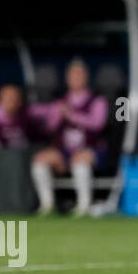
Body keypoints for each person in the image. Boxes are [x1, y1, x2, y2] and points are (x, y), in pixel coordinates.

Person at [30, 59, 108, 215]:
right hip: (64, 150)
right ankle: (47, 206)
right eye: (72, 75)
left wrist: (72, 115)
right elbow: (50, 127)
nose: (75, 78)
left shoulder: (98, 100)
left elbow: (97, 124)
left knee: (80, 161)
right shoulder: (60, 102)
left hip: (91, 149)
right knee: (39, 160)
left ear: (86, 77)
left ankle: (83, 206)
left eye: (79, 74)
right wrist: (57, 115)